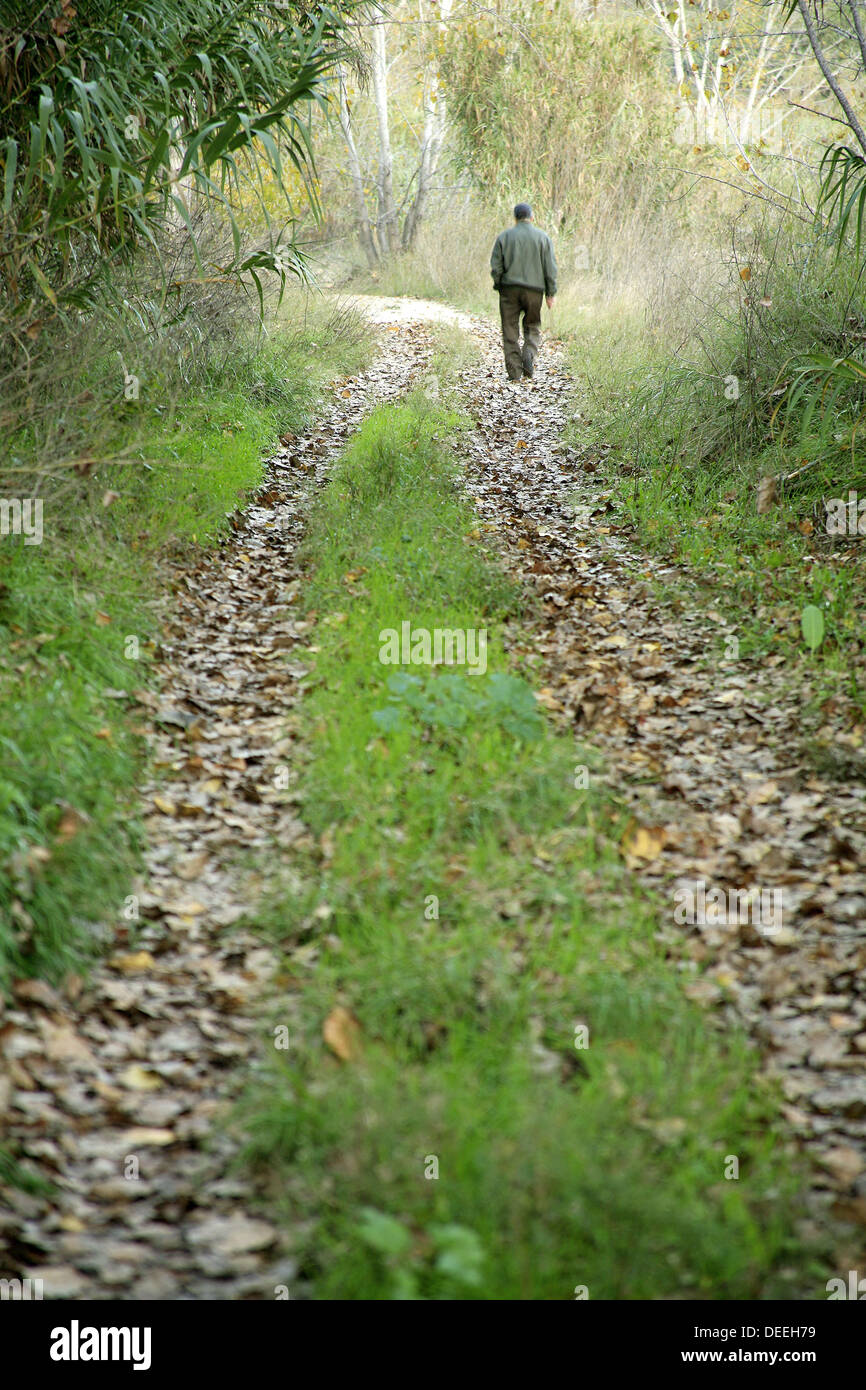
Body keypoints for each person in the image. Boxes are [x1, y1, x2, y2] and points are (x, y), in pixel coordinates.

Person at [490, 203, 557, 382]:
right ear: (531, 217)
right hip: (534, 291)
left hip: (509, 290)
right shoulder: (543, 238)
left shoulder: (504, 237)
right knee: (532, 326)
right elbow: (550, 268)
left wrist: (499, 284)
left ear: (515, 218)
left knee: (510, 330)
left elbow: (496, 267)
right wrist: (551, 293)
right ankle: (529, 354)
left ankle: (515, 373)